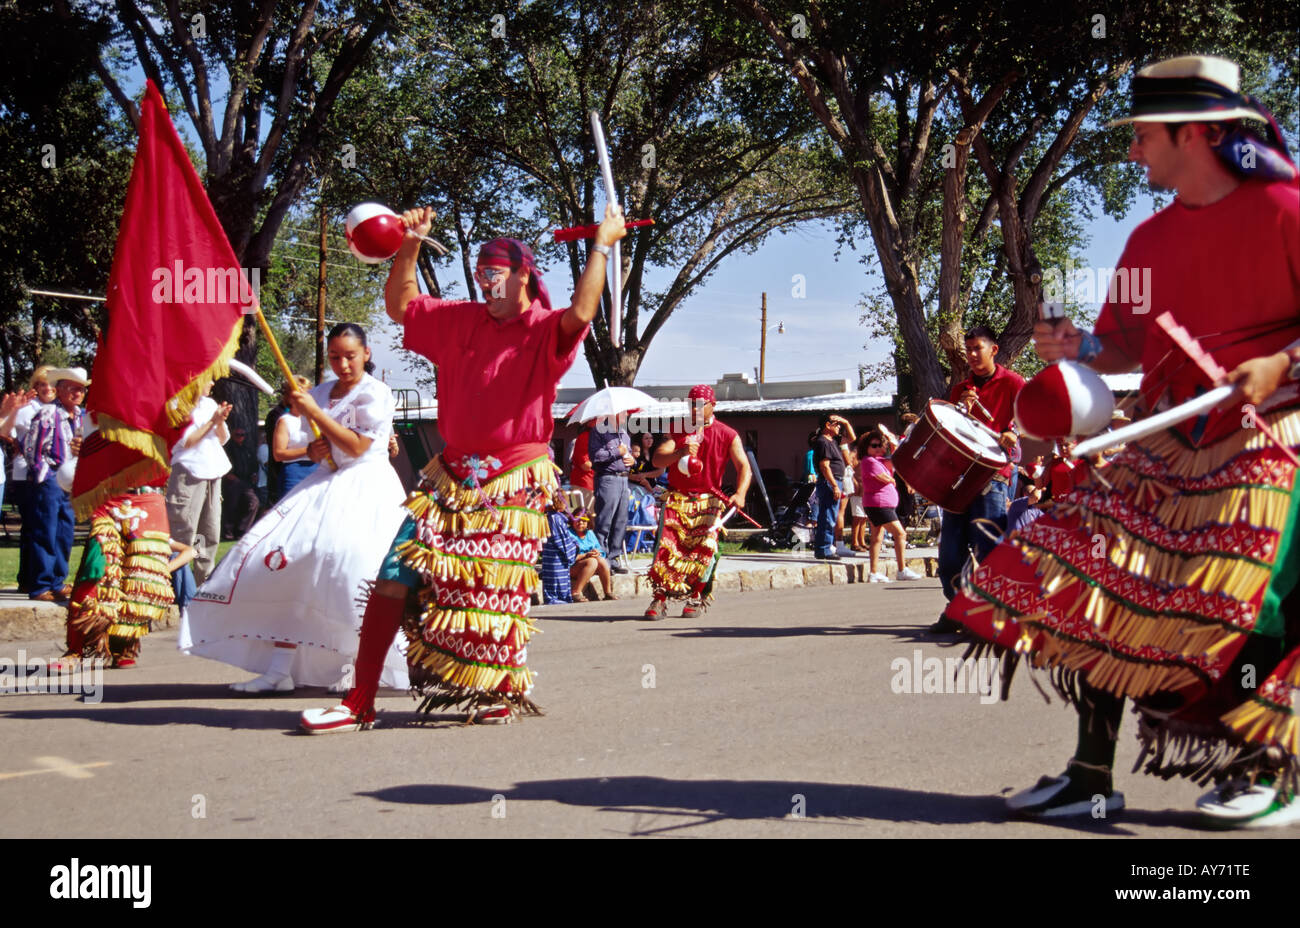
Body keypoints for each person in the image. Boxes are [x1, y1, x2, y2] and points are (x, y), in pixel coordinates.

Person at [945, 55, 1300, 826]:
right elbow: (1120, 347)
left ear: (1196, 133)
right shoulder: (1149, 238)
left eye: (1143, 136)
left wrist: (1280, 360)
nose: (1133, 153)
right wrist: (1069, 364)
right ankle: (1090, 776)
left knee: (1238, 589)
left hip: (1274, 433)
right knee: (1086, 571)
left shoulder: (1287, 210)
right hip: (1174, 431)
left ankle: (1271, 771)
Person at [299, 204, 626, 733]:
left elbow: (582, 313)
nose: (486, 283)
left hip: (513, 479)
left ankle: (500, 686)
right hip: (448, 475)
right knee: (393, 573)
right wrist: (410, 243)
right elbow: (401, 305)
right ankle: (359, 700)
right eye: (481, 275)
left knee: (493, 589)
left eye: (496, 274)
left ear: (524, 275)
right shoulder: (458, 320)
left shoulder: (543, 329)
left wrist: (602, 244)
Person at [180, 323, 409, 694]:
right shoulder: (318, 392)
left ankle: (364, 665)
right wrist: (314, 448)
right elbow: (314, 445)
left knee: (354, 571)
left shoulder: (377, 393)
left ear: (366, 353)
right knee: (288, 564)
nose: (343, 364)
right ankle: (279, 667)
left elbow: (356, 448)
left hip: (367, 487)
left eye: (350, 356)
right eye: (335, 357)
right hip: (322, 484)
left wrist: (313, 414)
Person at [929, 326, 1025, 633]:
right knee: (950, 549)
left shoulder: (1013, 383)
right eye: (967, 350)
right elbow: (951, 428)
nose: (971, 355)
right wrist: (962, 409)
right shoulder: (961, 389)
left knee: (988, 542)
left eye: (976, 349)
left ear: (993, 349)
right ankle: (958, 605)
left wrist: (1014, 432)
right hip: (960, 475)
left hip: (994, 473)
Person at [643, 384, 752, 618]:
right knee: (666, 549)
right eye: (691, 404)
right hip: (677, 498)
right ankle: (659, 598)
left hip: (710, 501)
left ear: (713, 406)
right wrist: (680, 452)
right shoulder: (678, 429)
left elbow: (744, 466)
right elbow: (658, 460)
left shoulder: (727, 434)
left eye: (700, 405)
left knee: (706, 550)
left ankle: (696, 596)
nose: (695, 409)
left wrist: (740, 493)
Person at [58, 490, 195, 669]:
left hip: (145, 504)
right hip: (108, 503)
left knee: (138, 586)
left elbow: (190, 551)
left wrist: (161, 569)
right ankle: (76, 651)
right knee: (94, 574)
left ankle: (124, 648)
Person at [22, 367, 89, 602]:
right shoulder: (48, 413)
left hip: (71, 483)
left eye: (81, 389)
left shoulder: (82, 415)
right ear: (59, 390)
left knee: (65, 531)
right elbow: (32, 448)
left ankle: (57, 582)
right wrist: (44, 474)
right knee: (46, 531)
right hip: (51, 479)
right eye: (72, 389)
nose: (77, 393)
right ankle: (40, 585)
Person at [165, 380, 230, 584]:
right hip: (188, 474)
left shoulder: (210, 404)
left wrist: (219, 421)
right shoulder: (176, 404)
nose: (211, 382)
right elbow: (185, 442)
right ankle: (178, 586)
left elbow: (222, 438)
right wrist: (212, 421)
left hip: (213, 473)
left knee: (207, 534)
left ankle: (203, 583)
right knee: (183, 532)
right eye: (207, 377)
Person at [859, 430, 922, 582]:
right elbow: (884, 478)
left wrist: (892, 442)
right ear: (866, 447)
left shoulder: (880, 460)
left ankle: (873, 573)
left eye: (880, 445)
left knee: (877, 538)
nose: (878, 448)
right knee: (900, 534)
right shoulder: (868, 461)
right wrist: (891, 480)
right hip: (879, 504)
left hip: (880, 504)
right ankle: (902, 569)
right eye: (874, 445)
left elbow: (897, 460)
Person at [589, 412, 632, 574]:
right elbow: (596, 456)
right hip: (607, 479)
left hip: (623, 479)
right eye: (623, 412)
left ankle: (614, 558)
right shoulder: (598, 431)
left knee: (620, 521)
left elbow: (627, 456)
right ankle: (601, 559)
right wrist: (617, 452)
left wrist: (631, 461)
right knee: (604, 520)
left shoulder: (624, 434)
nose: (626, 415)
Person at [811, 414, 849, 560]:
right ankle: (824, 549)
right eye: (836, 424)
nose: (839, 426)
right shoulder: (823, 442)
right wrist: (834, 486)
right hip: (830, 482)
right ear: (827, 425)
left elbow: (851, 437)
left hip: (836, 480)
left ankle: (826, 547)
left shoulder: (832, 441)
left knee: (830, 515)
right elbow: (825, 466)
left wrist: (844, 421)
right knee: (828, 516)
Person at [272, 375, 315, 500]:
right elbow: (278, 454)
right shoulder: (285, 421)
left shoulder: (316, 418)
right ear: (290, 397)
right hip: (294, 473)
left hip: (318, 470)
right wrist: (309, 450)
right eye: (299, 393)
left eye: (306, 393)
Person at [221, 423, 261, 539]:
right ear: (232, 435)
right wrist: (228, 474)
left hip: (245, 481)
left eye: (242, 435)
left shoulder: (246, 449)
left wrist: (254, 474)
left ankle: (242, 531)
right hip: (233, 481)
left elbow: (254, 463)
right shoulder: (227, 448)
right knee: (231, 506)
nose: (240, 437)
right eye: (238, 434)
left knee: (253, 502)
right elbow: (223, 462)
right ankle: (227, 533)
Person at [539, 493, 579, 604]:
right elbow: (562, 539)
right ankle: (556, 600)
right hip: (556, 556)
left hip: (551, 554)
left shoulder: (551, 517)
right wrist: (574, 547)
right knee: (557, 579)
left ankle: (557, 598)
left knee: (554, 578)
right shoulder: (555, 519)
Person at [570, 512, 616, 602]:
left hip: (587, 565)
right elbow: (569, 557)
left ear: (588, 523)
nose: (580, 523)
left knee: (601, 560)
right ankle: (575, 592)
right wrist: (586, 555)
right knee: (592, 561)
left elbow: (601, 551)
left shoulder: (590, 533)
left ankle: (608, 592)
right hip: (571, 566)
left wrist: (597, 553)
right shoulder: (568, 534)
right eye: (577, 520)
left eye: (584, 521)